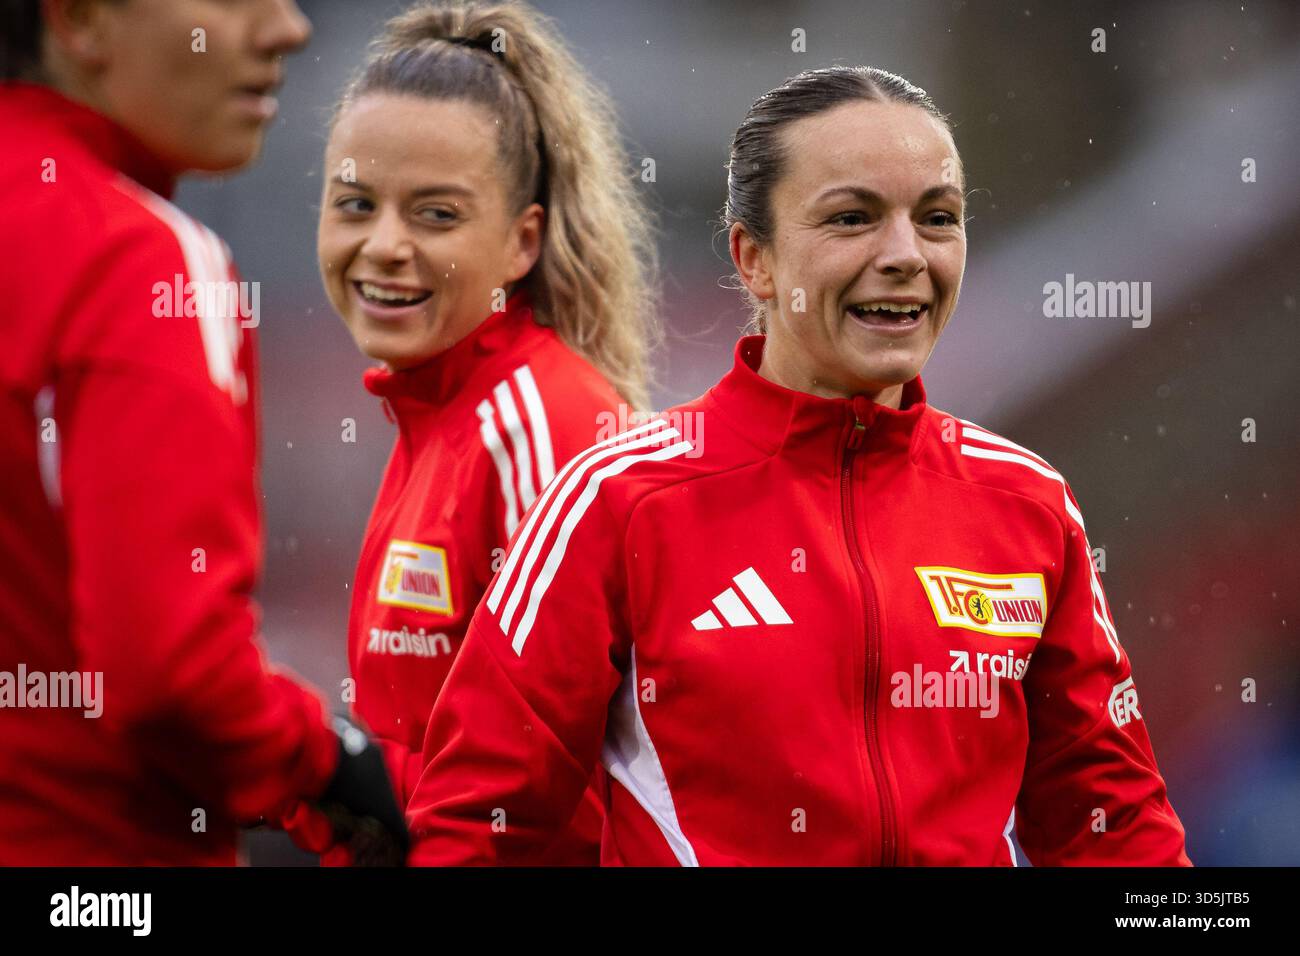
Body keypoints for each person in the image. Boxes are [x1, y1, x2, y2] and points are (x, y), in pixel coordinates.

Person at [403, 66, 1192, 865]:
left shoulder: (1027, 502)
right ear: (756, 261)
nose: (905, 255)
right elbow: (476, 826)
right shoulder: (617, 500)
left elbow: (1114, 825)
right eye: (852, 218)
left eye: (937, 218)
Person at [0, 0, 404, 865]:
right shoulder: (132, 255)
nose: (288, 28)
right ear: (79, 20)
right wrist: (329, 761)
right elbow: (169, 671)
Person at [285, 0, 657, 865]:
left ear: (523, 241)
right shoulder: (439, 413)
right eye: (354, 204)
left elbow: (568, 794)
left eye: (436, 215)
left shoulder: (540, 428)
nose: (383, 245)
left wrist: (326, 773)